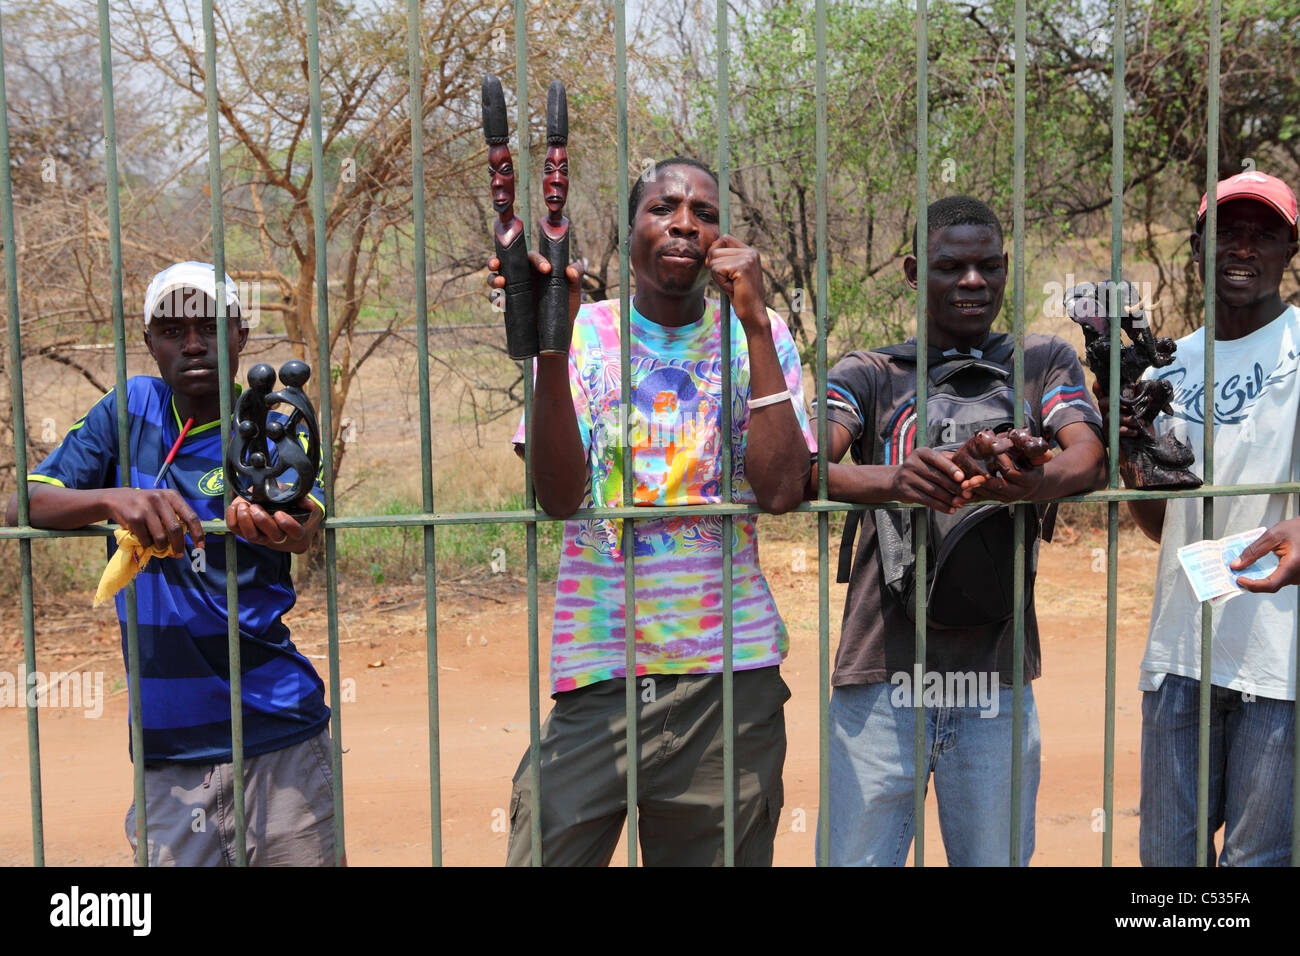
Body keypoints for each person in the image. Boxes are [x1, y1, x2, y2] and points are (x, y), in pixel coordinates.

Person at [489, 157, 815, 866]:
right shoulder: (583, 331)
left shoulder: (761, 334)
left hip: (728, 681)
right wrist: (550, 350)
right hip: (602, 672)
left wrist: (754, 323)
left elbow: (784, 490)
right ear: (631, 228)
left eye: (702, 212)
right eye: (663, 208)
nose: (683, 224)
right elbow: (558, 496)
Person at [5, 261, 334, 866]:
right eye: (172, 329)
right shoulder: (129, 409)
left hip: (277, 725)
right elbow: (24, 501)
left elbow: (305, 521)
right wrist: (113, 498)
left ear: (239, 336)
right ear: (149, 341)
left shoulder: (270, 419)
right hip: (169, 743)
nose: (192, 343)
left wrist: (286, 530)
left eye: (210, 325)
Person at [812, 195, 1106, 866]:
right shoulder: (871, 373)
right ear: (916, 273)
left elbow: (1086, 453)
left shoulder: (1039, 362)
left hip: (996, 678)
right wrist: (894, 480)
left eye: (988, 266)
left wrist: (1036, 481)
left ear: (1005, 270)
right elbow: (805, 470)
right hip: (882, 673)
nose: (972, 282)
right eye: (951, 267)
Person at [1101, 171, 1299, 866]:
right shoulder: (1168, 366)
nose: (1243, 247)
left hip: (1281, 657)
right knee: (1166, 859)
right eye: (1227, 231)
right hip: (1183, 645)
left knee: (1259, 860)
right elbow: (1159, 525)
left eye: (1262, 232)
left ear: (1288, 249)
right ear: (1197, 247)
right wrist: (1133, 446)